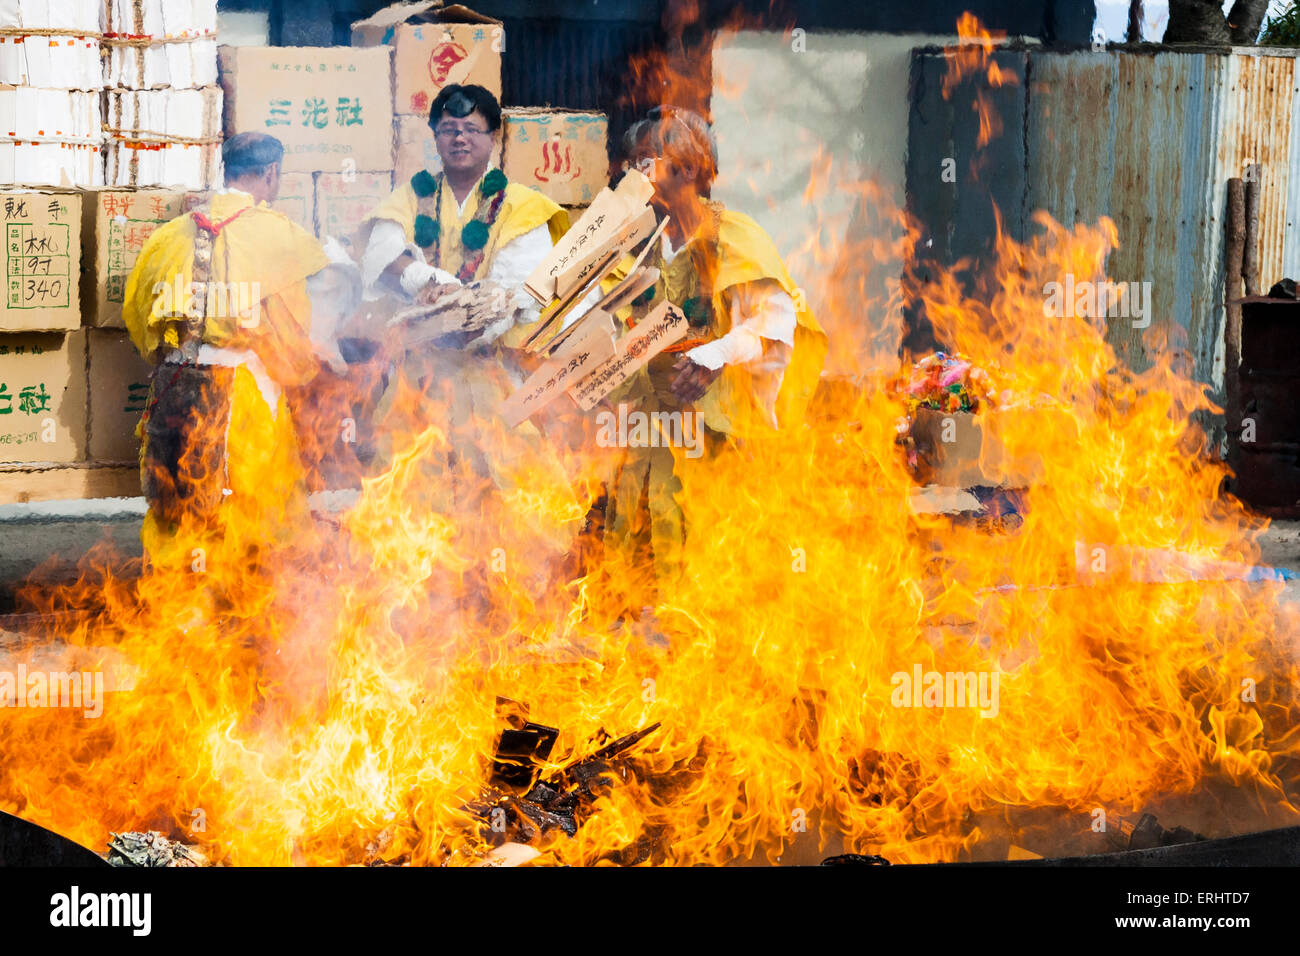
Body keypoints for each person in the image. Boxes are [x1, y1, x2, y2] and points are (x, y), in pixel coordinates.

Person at [598, 106, 828, 602]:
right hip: (642, 427)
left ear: (689, 168)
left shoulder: (734, 234)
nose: (637, 176)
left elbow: (773, 324)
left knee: (711, 555)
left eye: (649, 162)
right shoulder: (635, 240)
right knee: (637, 554)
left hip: (713, 432)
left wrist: (714, 356)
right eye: (635, 163)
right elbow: (603, 321)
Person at [123, 131, 357, 575]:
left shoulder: (169, 236)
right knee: (248, 499)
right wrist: (306, 373)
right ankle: (237, 608)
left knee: (175, 497)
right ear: (271, 173)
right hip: (240, 393)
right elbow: (296, 332)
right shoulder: (279, 236)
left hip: (171, 386)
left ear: (223, 170)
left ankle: (178, 607)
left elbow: (138, 318)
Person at [355, 83, 577, 508]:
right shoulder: (410, 196)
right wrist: (425, 278)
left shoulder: (522, 206)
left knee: (504, 498)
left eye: (471, 129)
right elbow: (382, 256)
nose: (459, 138)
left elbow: (520, 293)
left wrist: (461, 306)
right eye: (449, 128)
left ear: (494, 137)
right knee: (408, 499)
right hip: (418, 378)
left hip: (489, 374)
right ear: (435, 137)